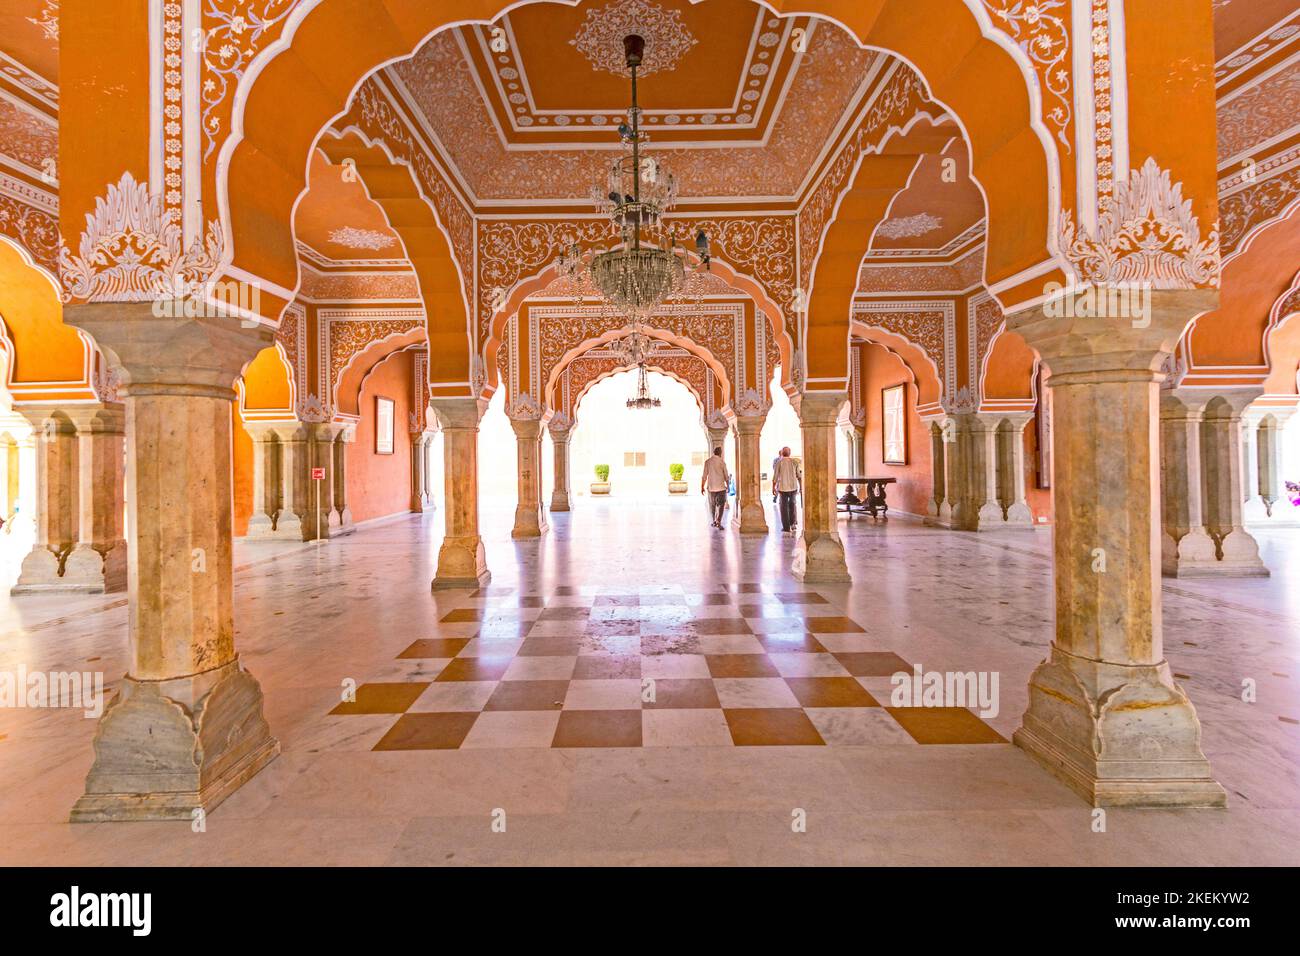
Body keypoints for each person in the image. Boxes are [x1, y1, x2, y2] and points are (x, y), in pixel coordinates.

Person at [772, 446, 802, 536]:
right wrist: (801, 487)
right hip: (793, 487)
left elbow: (775, 476)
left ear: (782, 453)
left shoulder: (779, 462)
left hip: (783, 488)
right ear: (790, 453)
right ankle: (792, 523)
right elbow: (799, 476)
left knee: (783, 507)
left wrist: (773, 488)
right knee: (793, 504)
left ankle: (786, 527)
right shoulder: (795, 462)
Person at [701, 445, 731, 529]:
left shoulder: (708, 462)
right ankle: (718, 521)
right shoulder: (722, 462)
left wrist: (702, 486)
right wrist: (728, 485)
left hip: (711, 488)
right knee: (721, 505)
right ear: (720, 453)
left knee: (712, 505)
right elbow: (726, 475)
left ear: (714, 452)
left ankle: (714, 521)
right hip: (721, 487)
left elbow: (704, 476)